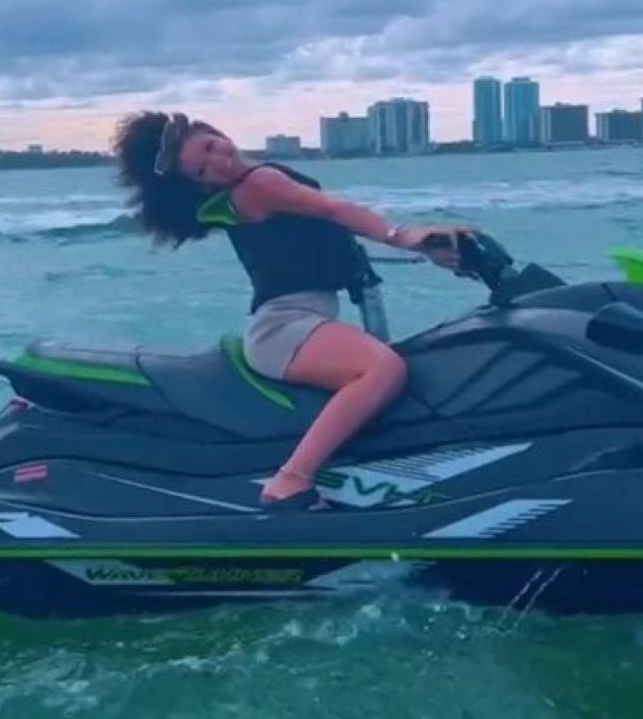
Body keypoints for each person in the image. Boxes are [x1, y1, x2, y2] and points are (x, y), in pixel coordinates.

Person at [113, 110, 467, 510]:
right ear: (197, 186)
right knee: (383, 369)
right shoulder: (258, 184)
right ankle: (290, 481)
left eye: (211, 147)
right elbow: (333, 210)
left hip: (296, 322)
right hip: (285, 327)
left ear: (219, 131)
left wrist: (430, 248)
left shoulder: (253, 184)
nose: (216, 163)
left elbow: (322, 237)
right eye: (200, 172)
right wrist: (400, 235)